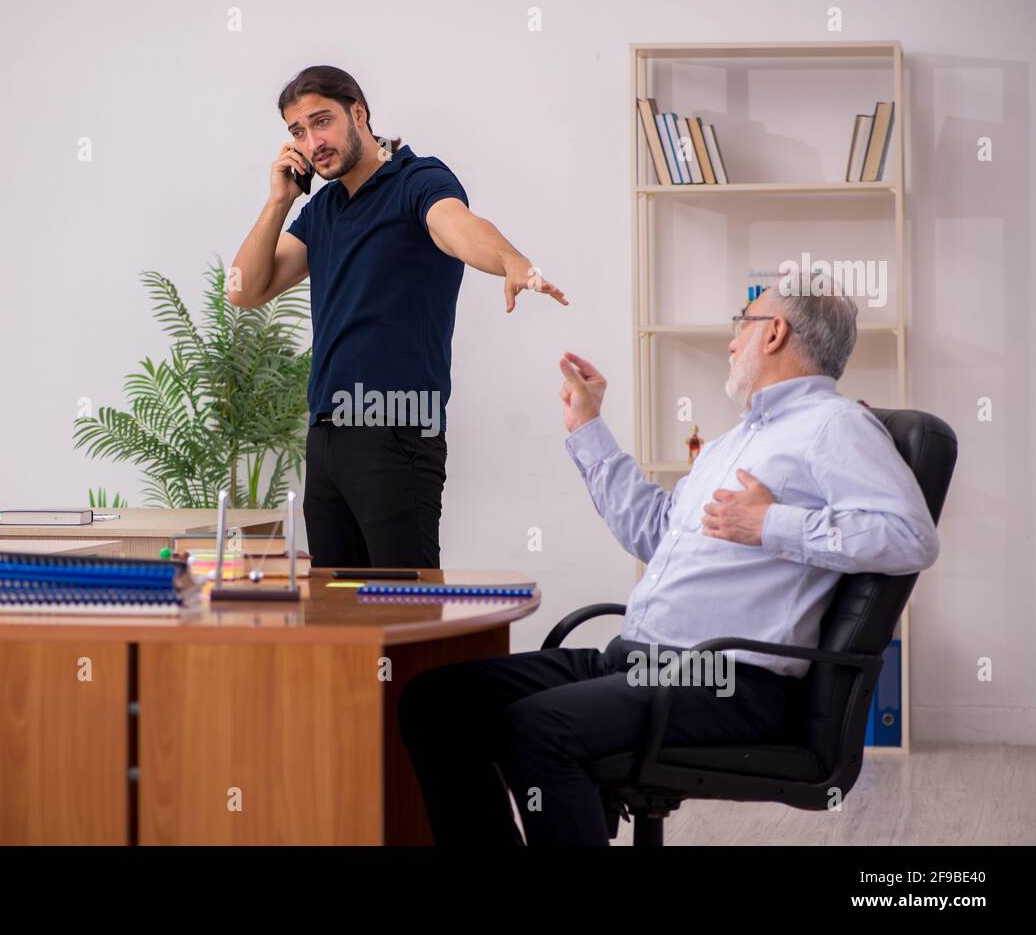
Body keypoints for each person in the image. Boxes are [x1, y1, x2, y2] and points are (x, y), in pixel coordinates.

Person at [398, 275, 942, 845]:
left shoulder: (834, 427)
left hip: (727, 682)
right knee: (435, 702)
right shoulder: (734, 442)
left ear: (775, 332)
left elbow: (911, 537)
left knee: (538, 730)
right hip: (638, 661)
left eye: (743, 323)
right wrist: (588, 428)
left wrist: (770, 524)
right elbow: (651, 531)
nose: (732, 342)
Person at [229, 65, 566, 568]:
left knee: (406, 612)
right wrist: (279, 200)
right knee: (336, 618)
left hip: (399, 428)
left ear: (358, 113)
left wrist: (512, 261)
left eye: (322, 122)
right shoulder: (321, 211)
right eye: (298, 131)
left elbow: (459, 227)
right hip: (325, 436)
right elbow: (244, 290)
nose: (312, 141)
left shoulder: (417, 180)